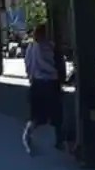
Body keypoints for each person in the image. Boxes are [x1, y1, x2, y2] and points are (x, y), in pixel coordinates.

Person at [22, 25, 64, 155]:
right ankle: (59, 141)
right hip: (50, 83)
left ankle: (28, 133)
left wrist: (31, 78)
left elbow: (28, 65)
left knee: (36, 115)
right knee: (57, 114)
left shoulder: (30, 48)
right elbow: (58, 64)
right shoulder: (50, 46)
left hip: (36, 83)